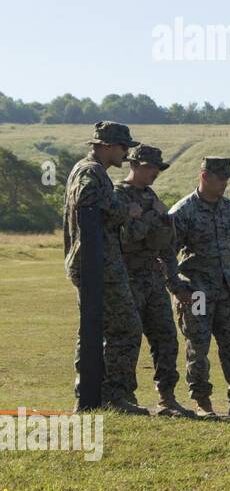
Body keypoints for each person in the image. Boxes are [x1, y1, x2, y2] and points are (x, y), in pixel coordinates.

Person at [63, 121, 147, 414]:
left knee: (92, 328)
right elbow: (87, 202)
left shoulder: (88, 170)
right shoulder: (91, 171)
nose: (127, 153)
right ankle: (113, 396)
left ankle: (88, 397)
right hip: (98, 263)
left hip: (94, 261)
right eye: (124, 147)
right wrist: (127, 210)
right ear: (108, 146)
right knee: (126, 327)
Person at [170, 157, 230, 417]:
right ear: (204, 177)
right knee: (198, 348)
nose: (224, 184)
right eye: (220, 178)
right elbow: (165, 255)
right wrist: (177, 288)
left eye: (227, 179)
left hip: (228, 291)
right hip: (196, 292)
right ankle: (201, 401)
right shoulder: (182, 211)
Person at [116, 144, 194, 417]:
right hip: (127, 279)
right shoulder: (118, 196)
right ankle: (122, 397)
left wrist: (174, 282)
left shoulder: (150, 196)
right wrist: (152, 215)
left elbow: (165, 246)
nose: (155, 173)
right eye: (150, 167)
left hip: (153, 278)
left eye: (157, 169)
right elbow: (126, 238)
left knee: (166, 339)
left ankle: (167, 398)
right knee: (127, 340)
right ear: (134, 165)